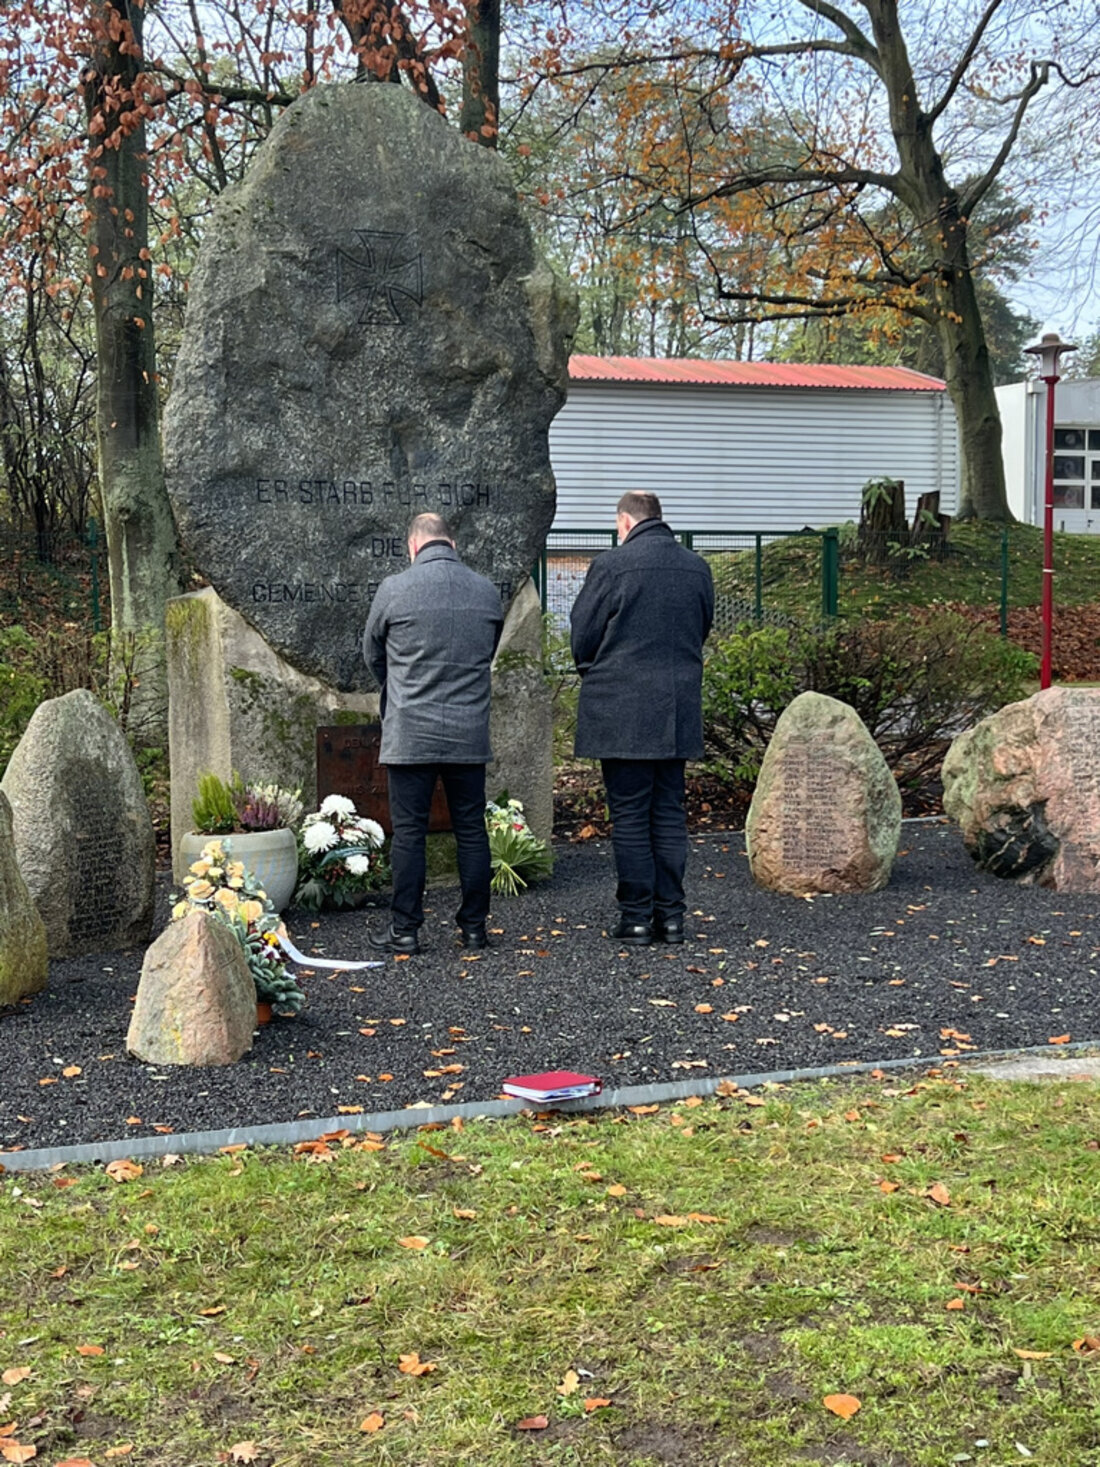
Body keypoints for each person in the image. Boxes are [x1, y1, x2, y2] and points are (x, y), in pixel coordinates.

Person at [570, 491, 714, 946]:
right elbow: (702, 626)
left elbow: (583, 635)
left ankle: (635, 918)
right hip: (677, 707)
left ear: (625, 521)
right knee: (670, 813)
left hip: (620, 709)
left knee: (630, 814)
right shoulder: (697, 568)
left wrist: (597, 669)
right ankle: (671, 918)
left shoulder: (611, 566)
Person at [363, 512, 503, 954]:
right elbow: (487, 652)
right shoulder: (486, 591)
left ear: (413, 546)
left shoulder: (394, 589)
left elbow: (372, 653)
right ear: (452, 543)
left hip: (410, 732)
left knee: (408, 833)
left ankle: (405, 929)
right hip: (467, 731)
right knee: (471, 829)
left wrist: (400, 687)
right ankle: (475, 928)